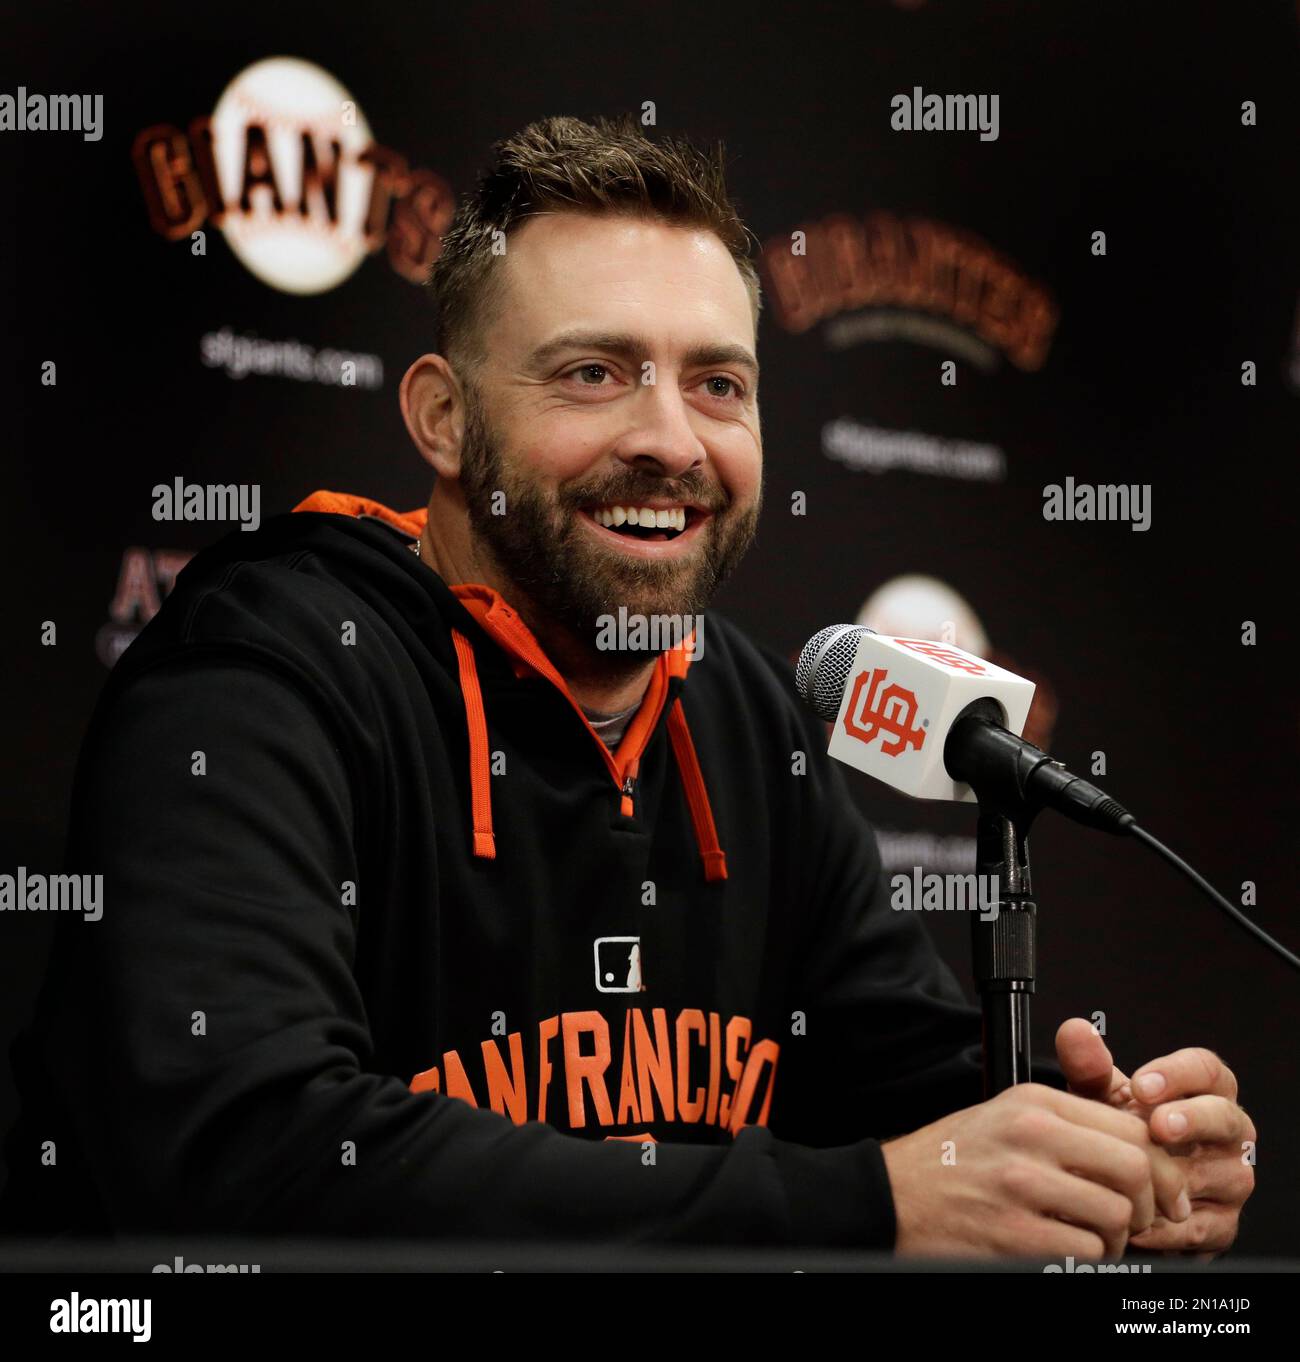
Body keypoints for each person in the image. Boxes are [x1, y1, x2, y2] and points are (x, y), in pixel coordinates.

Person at [0, 115, 1254, 1255]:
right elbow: (243, 1154)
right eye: (594, 372)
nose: (669, 436)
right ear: (442, 420)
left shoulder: (749, 718)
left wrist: (1100, 1148)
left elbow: (916, 1094)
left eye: (717, 383)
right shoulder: (257, 675)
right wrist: (868, 1206)